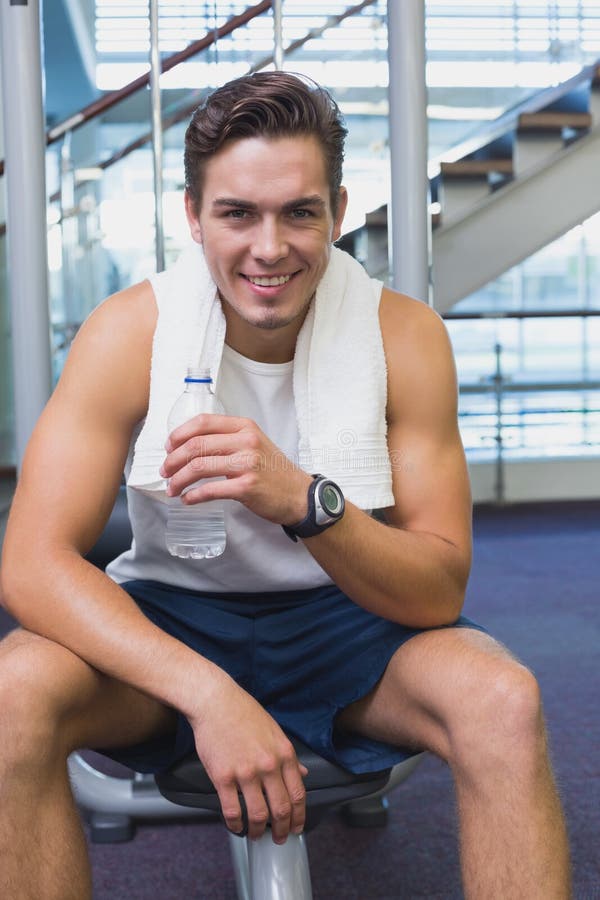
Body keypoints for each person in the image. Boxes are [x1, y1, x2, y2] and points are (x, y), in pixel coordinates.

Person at [0, 71, 570, 899]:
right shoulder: (129, 332)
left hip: (349, 623)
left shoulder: (404, 338)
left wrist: (305, 502)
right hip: (173, 616)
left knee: (504, 701)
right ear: (192, 217)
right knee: (13, 688)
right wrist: (209, 693)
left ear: (337, 212)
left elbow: (439, 587)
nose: (269, 248)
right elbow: (30, 564)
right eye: (237, 213)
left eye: (299, 212)